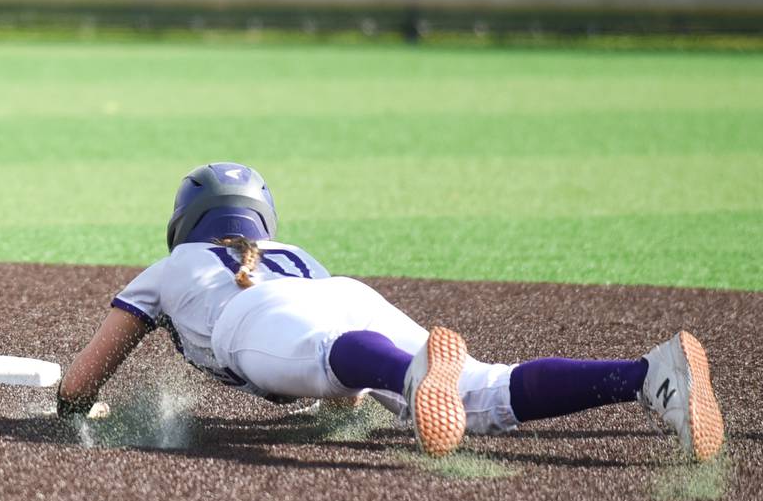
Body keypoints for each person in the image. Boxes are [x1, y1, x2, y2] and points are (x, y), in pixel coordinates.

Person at [54, 162, 725, 463]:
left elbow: (86, 379)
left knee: (337, 358)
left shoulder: (170, 268)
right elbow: (342, 397)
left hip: (264, 323)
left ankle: (412, 373)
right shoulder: (293, 251)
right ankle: (645, 375)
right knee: (481, 394)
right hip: (350, 298)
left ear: (182, 222)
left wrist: (69, 407)